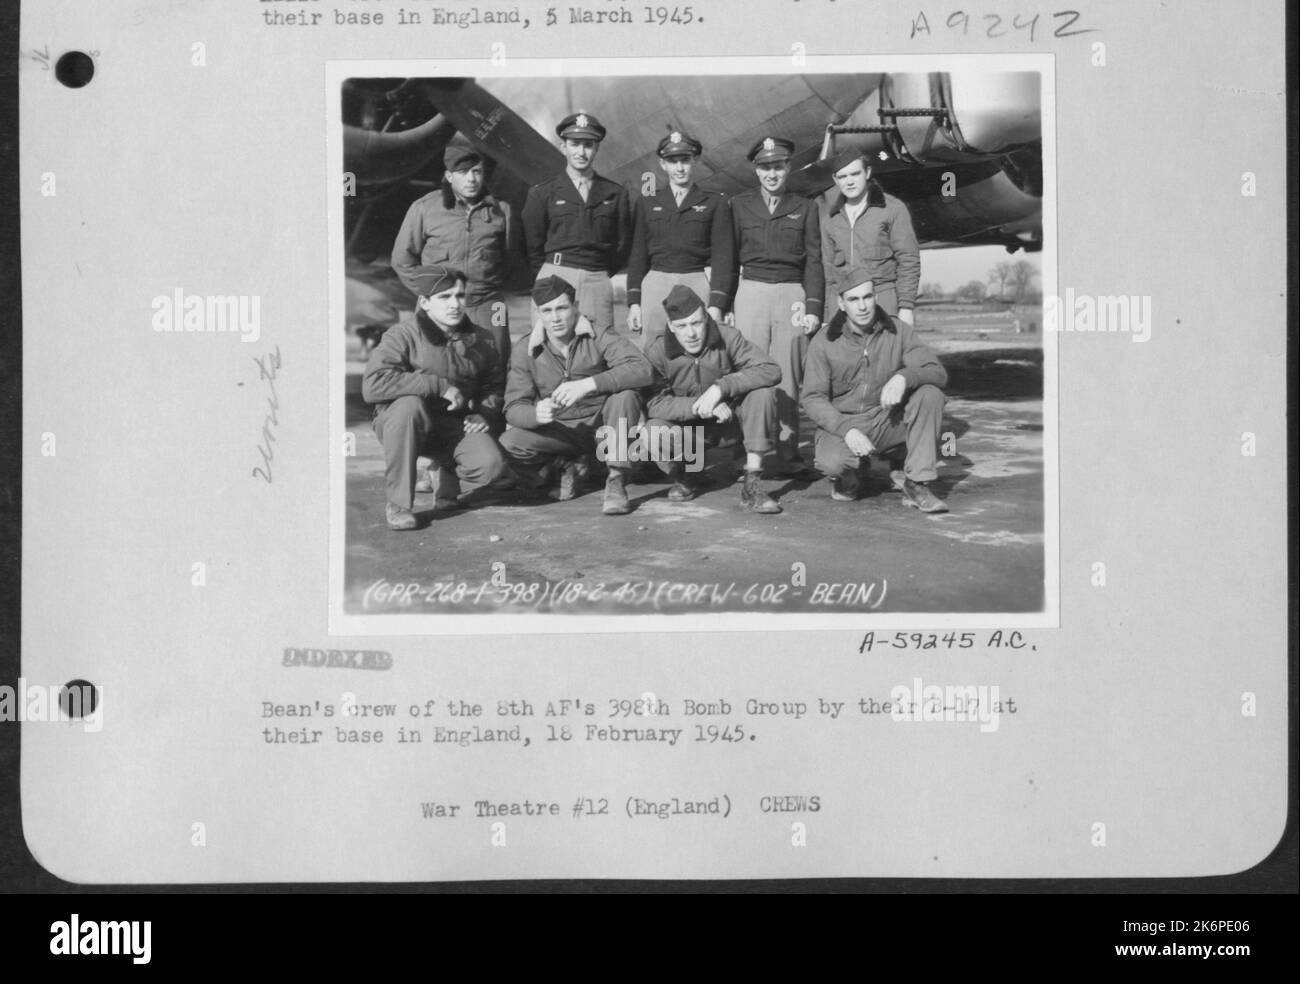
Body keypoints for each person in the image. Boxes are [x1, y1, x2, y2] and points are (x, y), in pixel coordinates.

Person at [362, 266, 509, 531]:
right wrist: (436, 386)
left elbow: (494, 386)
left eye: (460, 295)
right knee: (409, 406)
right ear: (425, 302)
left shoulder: (482, 339)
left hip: (451, 424)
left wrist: (484, 413)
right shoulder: (402, 335)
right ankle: (399, 505)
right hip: (402, 424)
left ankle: (444, 469)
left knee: (491, 465)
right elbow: (373, 385)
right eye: (444, 297)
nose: (455, 304)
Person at [500, 275, 654, 516]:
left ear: (575, 306)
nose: (555, 318)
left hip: (605, 427)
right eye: (547, 310)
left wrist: (589, 384)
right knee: (509, 444)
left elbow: (642, 369)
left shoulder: (598, 334)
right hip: (561, 431)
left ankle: (615, 478)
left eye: (561, 308)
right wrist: (536, 414)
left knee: (626, 395)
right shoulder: (525, 349)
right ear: (538, 313)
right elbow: (513, 406)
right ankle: (563, 467)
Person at [800, 267, 950, 513]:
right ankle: (851, 473)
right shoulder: (824, 341)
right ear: (841, 304)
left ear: (876, 297)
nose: (862, 306)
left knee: (930, 395)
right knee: (832, 462)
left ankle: (917, 483)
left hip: (885, 420)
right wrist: (846, 430)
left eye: (867, 297)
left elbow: (937, 372)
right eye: (853, 299)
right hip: (844, 423)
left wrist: (904, 377)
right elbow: (812, 398)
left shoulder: (898, 331)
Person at [726, 136, 823, 477]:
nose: (772, 173)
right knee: (747, 371)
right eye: (765, 167)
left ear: (788, 168)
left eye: (778, 166)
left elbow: (814, 260)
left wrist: (813, 307)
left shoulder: (805, 207)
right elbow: (728, 259)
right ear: (756, 170)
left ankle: (788, 452)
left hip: (791, 293)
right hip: (750, 291)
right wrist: (724, 303)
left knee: (789, 374)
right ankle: (745, 448)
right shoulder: (739, 205)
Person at [643, 286, 783, 514]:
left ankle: (752, 483)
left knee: (763, 394)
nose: (691, 333)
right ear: (671, 325)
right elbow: (653, 402)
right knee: (653, 431)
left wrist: (721, 388)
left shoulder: (728, 336)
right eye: (682, 326)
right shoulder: (657, 350)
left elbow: (770, 369)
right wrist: (700, 406)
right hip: (690, 430)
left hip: (730, 425)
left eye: (696, 323)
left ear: (706, 318)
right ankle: (686, 473)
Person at [390, 144, 517, 362]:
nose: (471, 179)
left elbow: (510, 261)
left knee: (497, 363)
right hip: (439, 306)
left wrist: (487, 290)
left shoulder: (502, 211)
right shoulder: (424, 208)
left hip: (487, 305)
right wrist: (432, 295)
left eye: (477, 171)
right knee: (433, 365)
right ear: (449, 176)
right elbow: (402, 260)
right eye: (463, 172)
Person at [521, 113, 631, 335]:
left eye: (588, 145)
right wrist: (549, 272)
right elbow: (531, 243)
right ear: (563, 147)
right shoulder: (542, 193)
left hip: (596, 280)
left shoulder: (615, 193)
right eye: (575, 144)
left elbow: (622, 244)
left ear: (597, 148)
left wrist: (597, 270)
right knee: (551, 346)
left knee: (599, 343)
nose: (581, 152)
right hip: (554, 276)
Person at [626, 131, 733, 348]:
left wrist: (717, 303)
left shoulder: (714, 202)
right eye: (673, 161)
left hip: (695, 281)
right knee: (652, 347)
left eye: (685, 160)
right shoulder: (648, 202)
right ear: (663, 164)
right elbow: (637, 255)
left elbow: (724, 258)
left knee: (698, 346)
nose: (680, 168)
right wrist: (634, 302)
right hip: (656, 283)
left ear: (695, 160)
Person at [820, 147, 921, 324]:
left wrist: (906, 307)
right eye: (842, 177)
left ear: (867, 172)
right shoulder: (830, 219)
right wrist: (828, 316)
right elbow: (829, 273)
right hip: (844, 305)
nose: (849, 182)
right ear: (835, 180)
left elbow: (908, 260)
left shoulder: (892, 209)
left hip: (883, 300)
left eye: (855, 174)